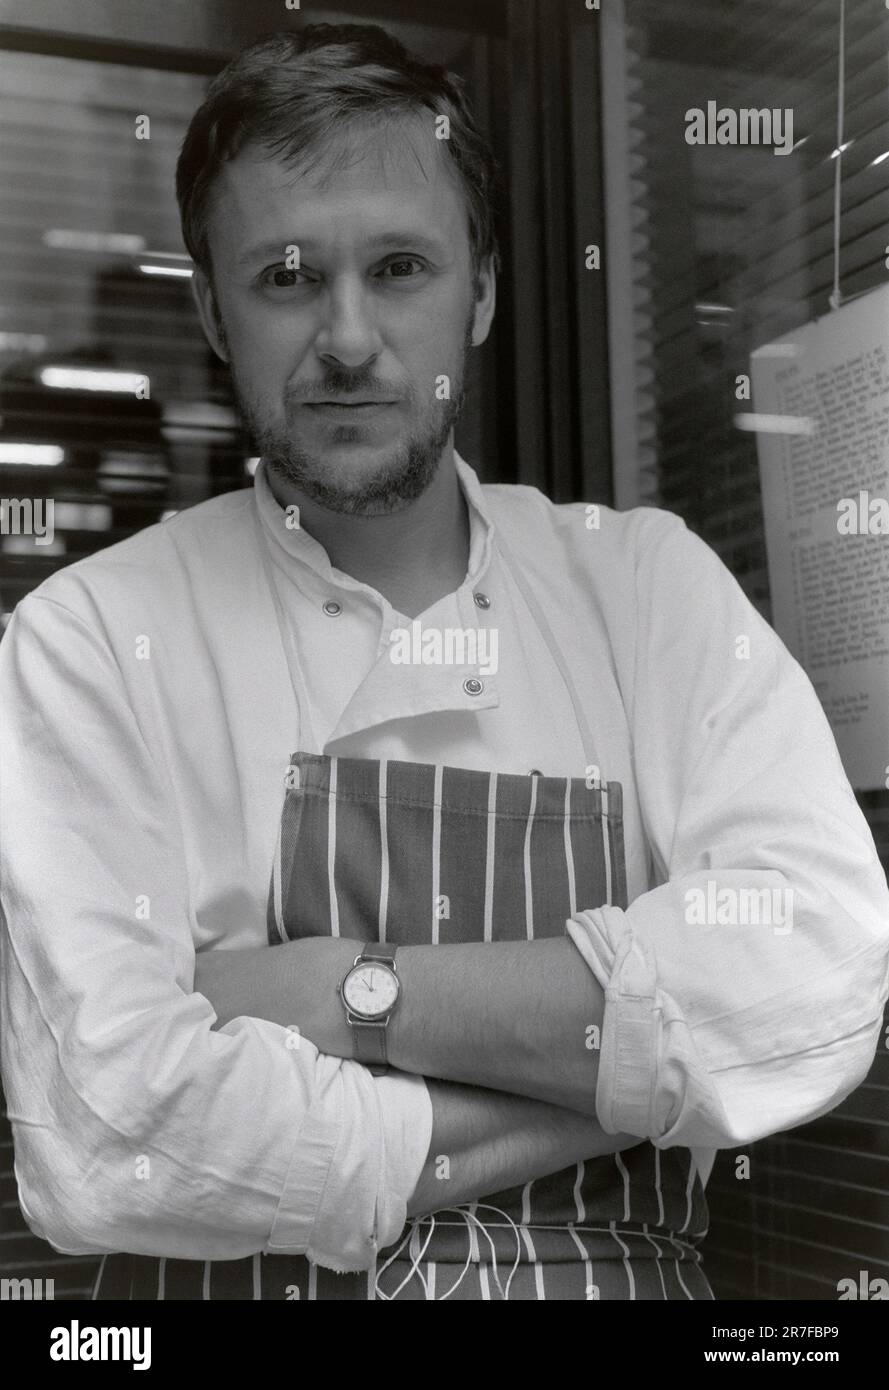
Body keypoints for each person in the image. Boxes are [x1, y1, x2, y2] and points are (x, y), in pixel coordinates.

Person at [1, 23, 887, 1303]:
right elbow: (112, 1138)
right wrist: (636, 1082)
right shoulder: (88, 643)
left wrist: (351, 996)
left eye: (401, 267)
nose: (349, 338)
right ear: (210, 308)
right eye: (288, 277)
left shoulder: (642, 589)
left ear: (477, 293)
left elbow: (814, 970)